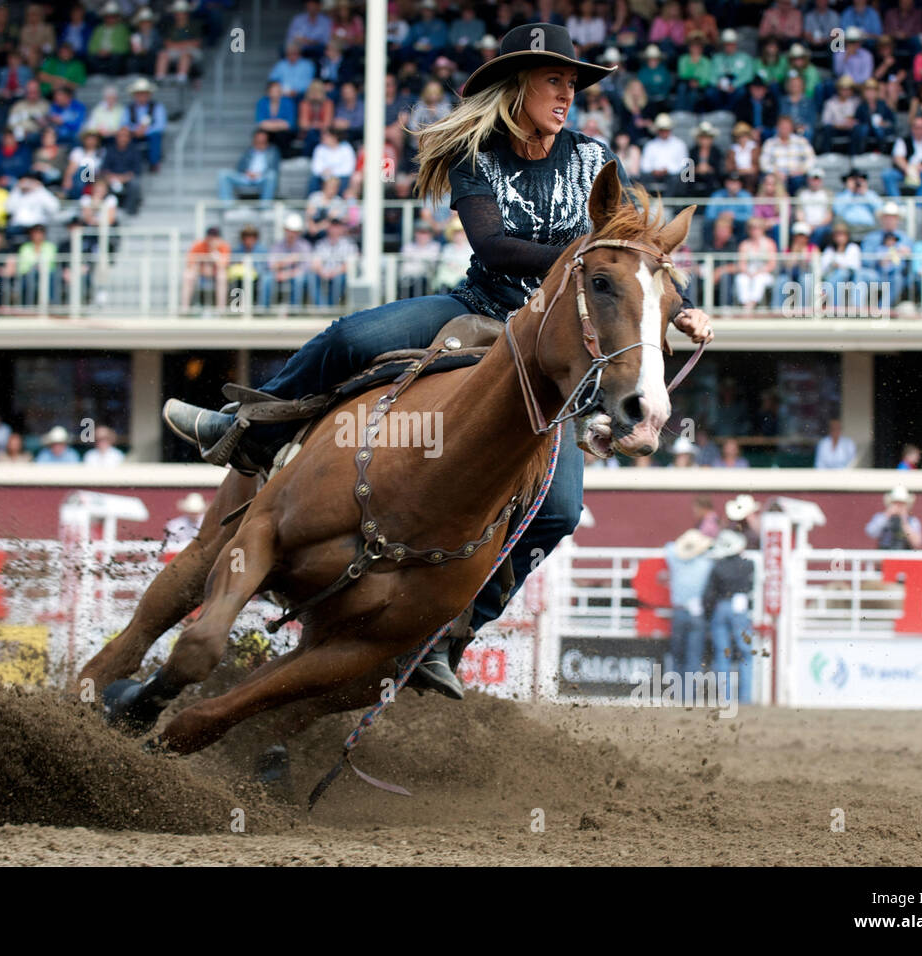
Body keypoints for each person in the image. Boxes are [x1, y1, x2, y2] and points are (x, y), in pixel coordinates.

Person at [161, 23, 715, 698]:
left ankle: (447, 633)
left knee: (559, 511)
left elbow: (631, 256)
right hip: (479, 311)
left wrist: (681, 304)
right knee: (349, 339)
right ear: (519, 86)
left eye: (572, 83)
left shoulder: (591, 158)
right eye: (554, 80)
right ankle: (246, 428)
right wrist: (579, 262)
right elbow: (495, 246)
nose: (566, 93)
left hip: (550, 352)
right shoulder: (476, 156)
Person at [702, 529, 755, 704]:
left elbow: (709, 594)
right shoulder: (748, 565)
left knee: (722, 653)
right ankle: (745, 697)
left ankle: (724, 697)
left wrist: (708, 613)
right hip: (739, 608)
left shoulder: (717, 567)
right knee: (745, 652)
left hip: (721, 607)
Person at [665, 529, 714, 689]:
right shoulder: (706, 564)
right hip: (697, 613)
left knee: (677, 654)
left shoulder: (675, 560)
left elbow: (669, 547)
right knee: (694, 655)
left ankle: (676, 693)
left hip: (679, 611)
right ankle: (690, 695)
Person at [865, 485, 922, 549]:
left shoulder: (912, 521)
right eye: (896, 503)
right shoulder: (881, 517)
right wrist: (887, 515)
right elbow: (871, 532)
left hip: (904, 556)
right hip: (884, 555)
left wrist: (904, 522)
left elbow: (917, 542)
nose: (898, 507)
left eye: (901, 504)